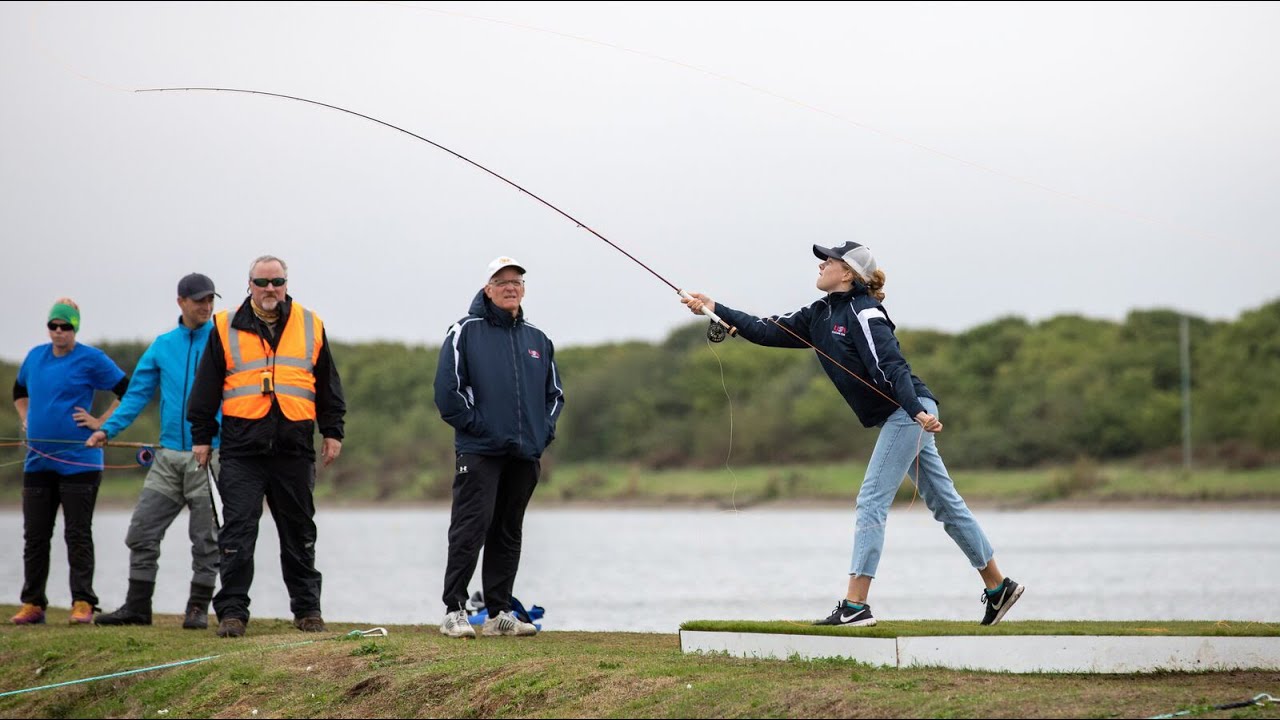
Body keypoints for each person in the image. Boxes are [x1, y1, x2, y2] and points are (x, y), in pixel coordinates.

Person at [682, 241, 1024, 627]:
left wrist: (917, 412)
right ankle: (998, 588)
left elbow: (893, 366)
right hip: (906, 415)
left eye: (829, 260)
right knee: (945, 503)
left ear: (848, 273)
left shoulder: (867, 313)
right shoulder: (818, 314)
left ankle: (856, 605)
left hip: (908, 412)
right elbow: (764, 330)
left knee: (871, 500)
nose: (821, 265)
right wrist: (714, 308)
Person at [187, 255, 346, 638]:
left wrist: (332, 431)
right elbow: (207, 386)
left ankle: (308, 611)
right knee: (237, 535)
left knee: (300, 534)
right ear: (250, 285)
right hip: (242, 450)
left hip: (293, 448)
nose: (270, 289)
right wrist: (201, 437)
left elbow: (327, 384)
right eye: (262, 282)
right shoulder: (223, 326)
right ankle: (232, 613)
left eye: (277, 282)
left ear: (286, 283)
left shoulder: (311, 324)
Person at [434, 256, 564, 638]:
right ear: (488, 289)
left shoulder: (538, 339)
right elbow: (448, 394)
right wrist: (482, 430)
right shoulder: (465, 331)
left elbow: (554, 396)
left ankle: (499, 612)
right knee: (470, 528)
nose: (511, 287)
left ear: (523, 290)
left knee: (508, 530)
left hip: (525, 454)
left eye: (517, 281)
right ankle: (454, 609)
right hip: (479, 452)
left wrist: (542, 434)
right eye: (502, 281)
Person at [87, 273, 223, 630]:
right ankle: (137, 608)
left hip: (209, 456)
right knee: (142, 532)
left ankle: (197, 609)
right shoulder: (163, 346)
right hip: (166, 458)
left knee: (206, 540)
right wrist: (107, 430)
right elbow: (136, 395)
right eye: (199, 300)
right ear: (181, 302)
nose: (206, 307)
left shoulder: (224, 341)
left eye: (210, 300)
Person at [11, 298, 129, 625]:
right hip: (37, 462)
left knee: (77, 534)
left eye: (66, 326)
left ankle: (82, 601)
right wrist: (26, 418)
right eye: (54, 325)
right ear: (48, 327)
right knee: (35, 535)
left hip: (81, 463)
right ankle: (33, 603)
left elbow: (128, 390)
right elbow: (19, 391)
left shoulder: (92, 359)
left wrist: (102, 423)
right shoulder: (35, 357)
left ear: (75, 328)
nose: (59, 332)